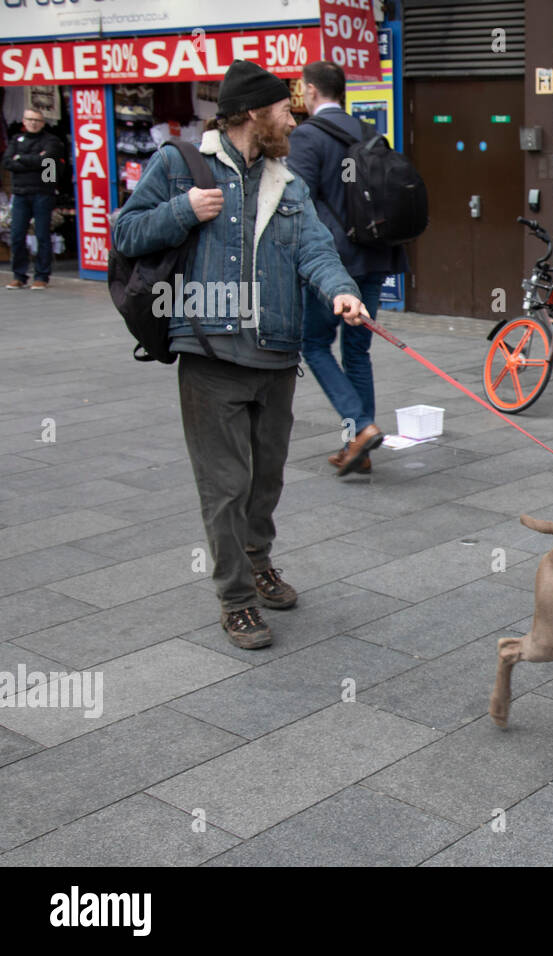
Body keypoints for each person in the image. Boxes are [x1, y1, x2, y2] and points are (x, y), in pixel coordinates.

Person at [112, 60, 368, 650]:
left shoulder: (288, 182)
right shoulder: (179, 166)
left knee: (266, 482)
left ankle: (257, 559)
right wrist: (182, 211)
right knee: (225, 486)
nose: (292, 115)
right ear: (252, 112)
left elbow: (316, 252)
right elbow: (126, 233)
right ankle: (235, 598)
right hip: (209, 354)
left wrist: (343, 293)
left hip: (276, 355)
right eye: (283, 107)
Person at [288, 60, 408, 477]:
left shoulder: (307, 136)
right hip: (375, 257)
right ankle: (361, 443)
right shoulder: (370, 132)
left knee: (315, 344)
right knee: (358, 351)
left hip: (333, 262)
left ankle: (360, 428)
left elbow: (296, 201)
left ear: (309, 90)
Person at [4, 109, 65, 290]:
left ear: (43, 122)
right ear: (24, 121)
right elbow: (7, 162)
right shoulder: (16, 140)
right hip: (20, 194)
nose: (33, 123)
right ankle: (19, 275)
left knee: (42, 236)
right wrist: (35, 160)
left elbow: (48, 162)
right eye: (30, 119)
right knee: (16, 235)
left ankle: (42, 276)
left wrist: (21, 159)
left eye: (37, 120)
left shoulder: (51, 141)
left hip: (42, 193)